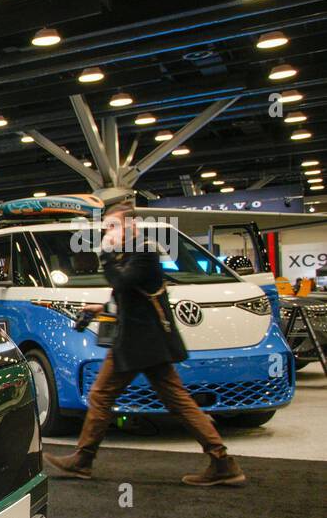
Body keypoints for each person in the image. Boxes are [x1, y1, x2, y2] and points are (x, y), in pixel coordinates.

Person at [44, 201, 246, 487]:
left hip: (140, 344)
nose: (108, 233)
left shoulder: (144, 251)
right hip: (143, 342)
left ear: (131, 226)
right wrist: (99, 307)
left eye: (112, 227)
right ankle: (221, 460)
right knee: (171, 400)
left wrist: (105, 255)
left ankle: (82, 460)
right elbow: (131, 294)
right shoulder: (135, 252)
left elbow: (124, 282)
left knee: (110, 397)